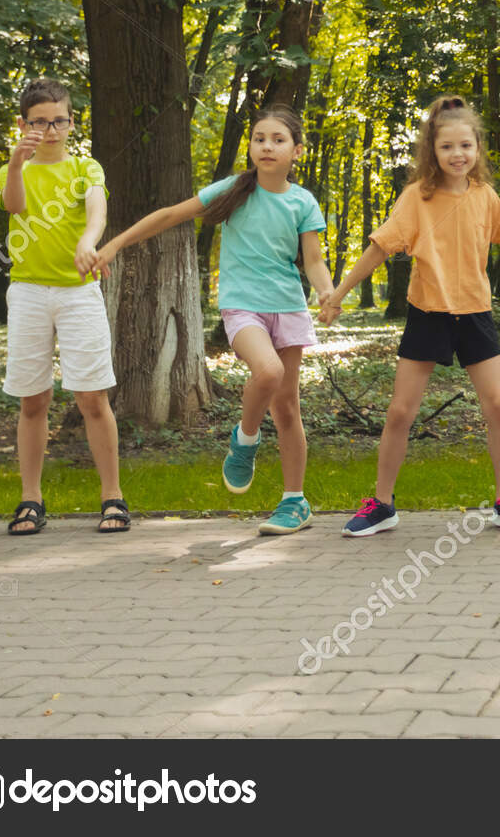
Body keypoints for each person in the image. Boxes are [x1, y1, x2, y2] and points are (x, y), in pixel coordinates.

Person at [318, 95, 500, 537]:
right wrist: (338, 295)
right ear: (432, 151)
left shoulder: (485, 196)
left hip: (475, 314)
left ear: (478, 148)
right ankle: (382, 505)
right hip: (427, 314)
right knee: (400, 412)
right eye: (447, 147)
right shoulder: (416, 197)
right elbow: (379, 248)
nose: (457, 154)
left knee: (498, 405)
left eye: (466, 145)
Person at [95, 106, 331, 535]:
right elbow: (170, 214)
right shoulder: (234, 190)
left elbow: (312, 260)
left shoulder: (302, 201)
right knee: (268, 371)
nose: (266, 146)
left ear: (297, 150)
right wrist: (115, 245)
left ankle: (294, 502)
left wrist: (327, 291)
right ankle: (245, 438)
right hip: (242, 307)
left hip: (288, 308)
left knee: (287, 407)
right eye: (259, 138)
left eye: (278, 140)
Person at [0, 78, 127, 535]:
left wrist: (89, 243)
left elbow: (97, 211)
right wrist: (17, 163)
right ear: (23, 125)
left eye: (59, 121)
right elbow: (15, 207)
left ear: (71, 122)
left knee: (92, 397)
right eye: (40, 122)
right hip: (29, 292)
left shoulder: (86, 167)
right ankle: (30, 500)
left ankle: (112, 497)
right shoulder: (13, 169)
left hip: (78, 292)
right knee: (34, 400)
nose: (51, 131)